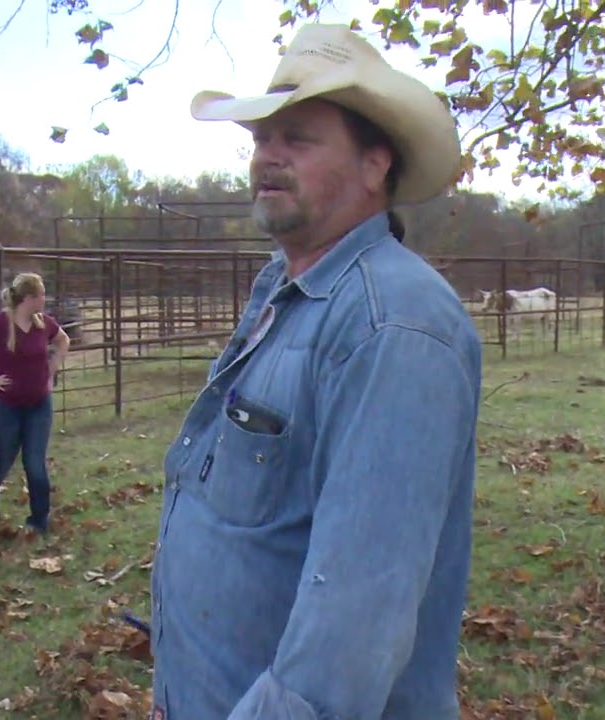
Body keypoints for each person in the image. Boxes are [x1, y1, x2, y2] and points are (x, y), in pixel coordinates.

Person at [148, 23, 482, 720]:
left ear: (374, 166)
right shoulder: (287, 290)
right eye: (260, 139)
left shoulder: (394, 324)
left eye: (296, 137)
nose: (267, 156)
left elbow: (353, 625)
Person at [0, 272, 70, 535]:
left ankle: (38, 521)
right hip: (6, 407)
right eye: (41, 294)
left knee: (35, 461)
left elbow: (64, 340)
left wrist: (51, 369)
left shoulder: (44, 323)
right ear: (28, 298)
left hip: (39, 404)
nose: (45, 299)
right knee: (3, 458)